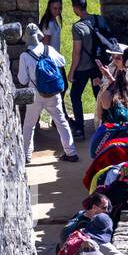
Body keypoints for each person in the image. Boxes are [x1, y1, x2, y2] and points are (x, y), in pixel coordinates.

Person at [17, 22, 78, 164]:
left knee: (29, 125)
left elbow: (22, 79)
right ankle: (71, 152)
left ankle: (27, 155)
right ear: (39, 35)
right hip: (53, 93)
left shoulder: (24, 56)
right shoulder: (48, 49)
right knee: (61, 122)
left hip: (35, 95)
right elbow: (62, 61)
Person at [67, 0, 119, 142]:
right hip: (99, 65)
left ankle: (79, 129)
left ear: (76, 8)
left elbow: (77, 52)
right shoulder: (99, 19)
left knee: (75, 95)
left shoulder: (78, 27)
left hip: (83, 67)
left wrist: (71, 72)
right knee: (100, 95)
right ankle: (104, 127)